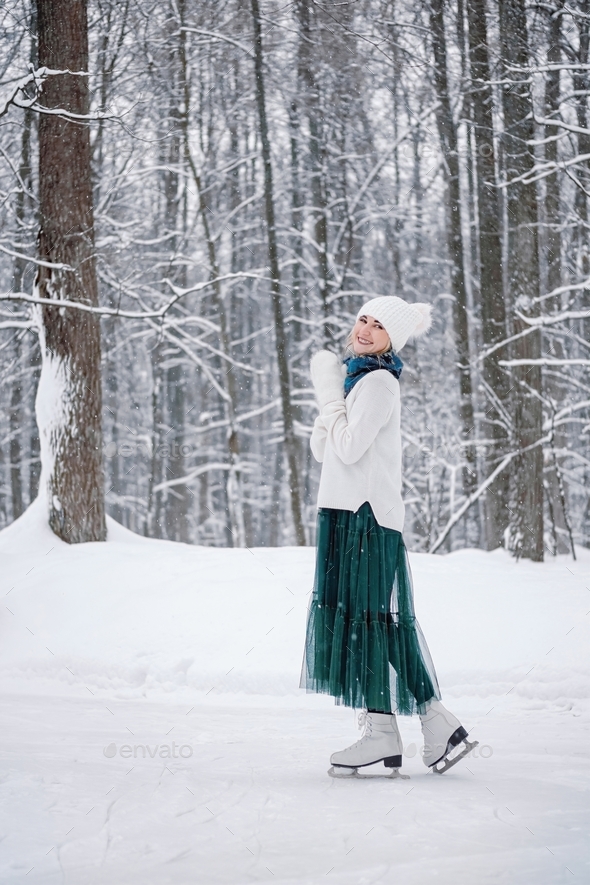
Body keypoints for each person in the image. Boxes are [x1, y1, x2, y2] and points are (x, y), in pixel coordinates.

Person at [301, 296, 474, 778]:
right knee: (370, 621)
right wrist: (333, 396)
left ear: (391, 339)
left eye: (379, 326)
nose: (366, 329)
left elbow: (349, 447)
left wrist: (332, 398)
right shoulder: (358, 378)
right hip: (346, 513)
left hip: (366, 518)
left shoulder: (377, 382)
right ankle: (421, 724)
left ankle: (392, 730)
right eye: (363, 319)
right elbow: (322, 448)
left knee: (372, 623)